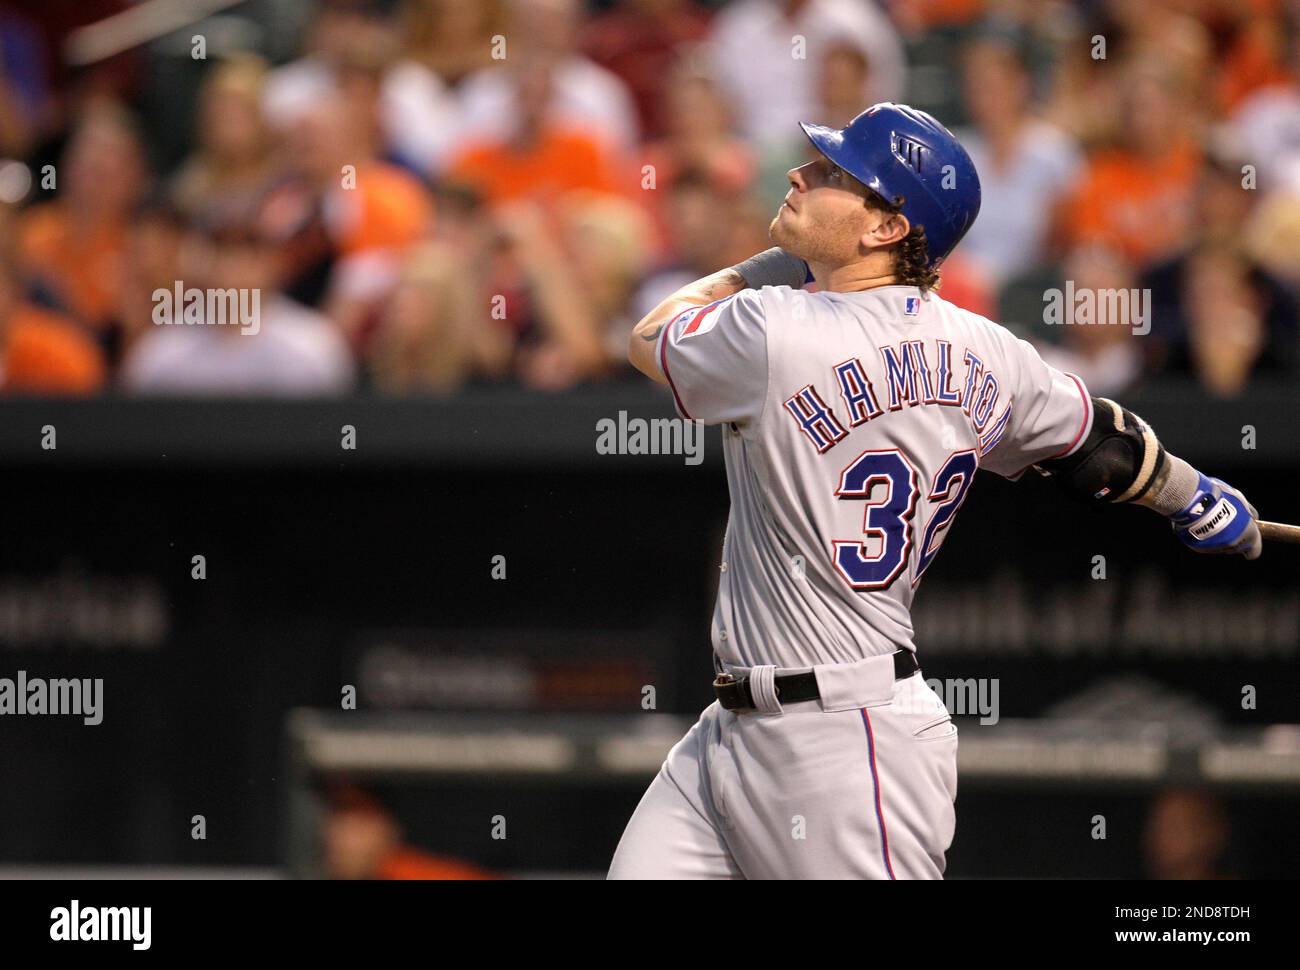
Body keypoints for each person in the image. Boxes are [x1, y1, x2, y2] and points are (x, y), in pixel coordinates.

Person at [612, 102, 1262, 880]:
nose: (798, 174)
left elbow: (651, 336)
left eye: (832, 175)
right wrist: (1194, 496)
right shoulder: (987, 348)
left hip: (847, 745)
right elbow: (1102, 445)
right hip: (731, 734)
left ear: (886, 228)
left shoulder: (773, 327)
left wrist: (765, 263)